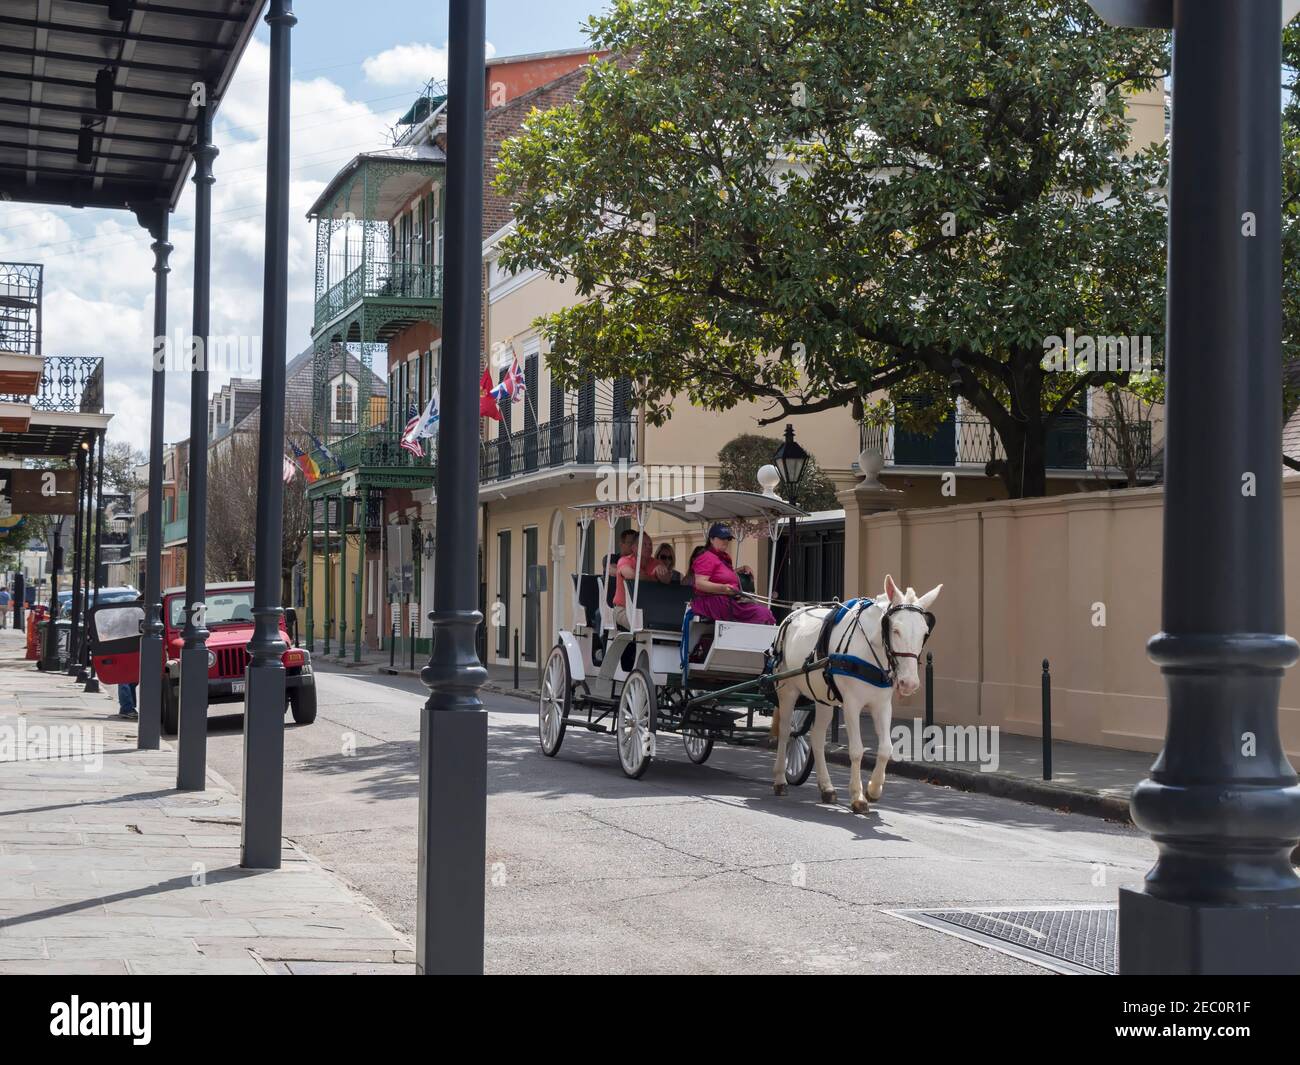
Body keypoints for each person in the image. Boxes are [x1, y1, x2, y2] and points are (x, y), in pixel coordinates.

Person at [689, 523, 777, 624]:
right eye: (722, 538)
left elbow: (720, 575)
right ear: (711, 539)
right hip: (716, 604)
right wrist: (723, 588)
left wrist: (740, 569)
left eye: (728, 538)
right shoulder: (707, 557)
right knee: (762, 614)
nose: (726, 541)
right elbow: (700, 583)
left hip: (730, 601)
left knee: (765, 613)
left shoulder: (724, 557)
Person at [612, 534, 665, 629]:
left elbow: (667, 579)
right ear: (634, 548)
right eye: (644, 544)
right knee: (640, 624)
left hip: (649, 611)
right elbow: (632, 575)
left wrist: (662, 572)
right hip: (623, 609)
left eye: (650, 544)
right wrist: (653, 578)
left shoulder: (656, 563)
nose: (649, 547)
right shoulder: (624, 560)